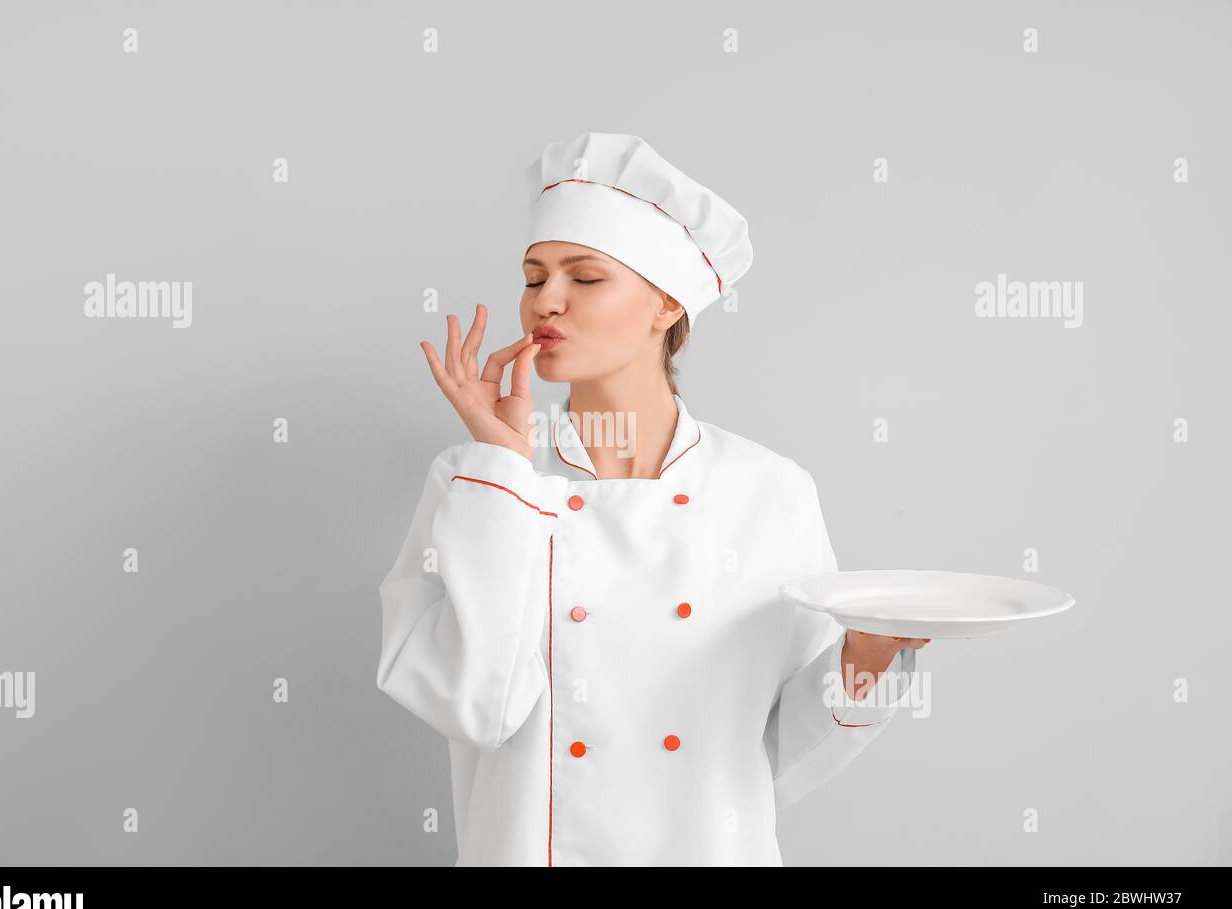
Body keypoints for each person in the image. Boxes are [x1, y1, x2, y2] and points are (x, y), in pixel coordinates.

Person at [377, 132, 930, 866]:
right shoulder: (475, 480)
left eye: (586, 277)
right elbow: (474, 705)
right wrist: (505, 473)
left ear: (666, 305)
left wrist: (869, 655)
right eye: (534, 276)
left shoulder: (768, 493)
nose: (548, 300)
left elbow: (779, 749)